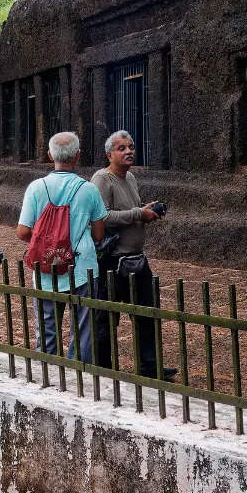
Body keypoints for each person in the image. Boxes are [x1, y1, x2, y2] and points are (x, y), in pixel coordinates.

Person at [90, 130, 175, 379]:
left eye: (131, 147)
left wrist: (147, 212)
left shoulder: (131, 178)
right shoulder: (102, 180)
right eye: (122, 148)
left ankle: (149, 367)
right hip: (113, 261)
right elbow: (102, 217)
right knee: (106, 319)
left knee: (147, 315)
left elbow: (130, 211)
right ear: (109, 154)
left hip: (137, 258)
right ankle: (104, 371)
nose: (129, 151)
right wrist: (139, 214)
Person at [16, 132, 108, 362]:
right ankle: (79, 374)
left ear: (49, 155)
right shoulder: (89, 189)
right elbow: (98, 234)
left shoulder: (36, 188)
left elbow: (23, 232)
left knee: (47, 330)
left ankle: (49, 372)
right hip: (82, 267)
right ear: (77, 156)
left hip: (46, 265)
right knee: (83, 330)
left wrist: (47, 242)